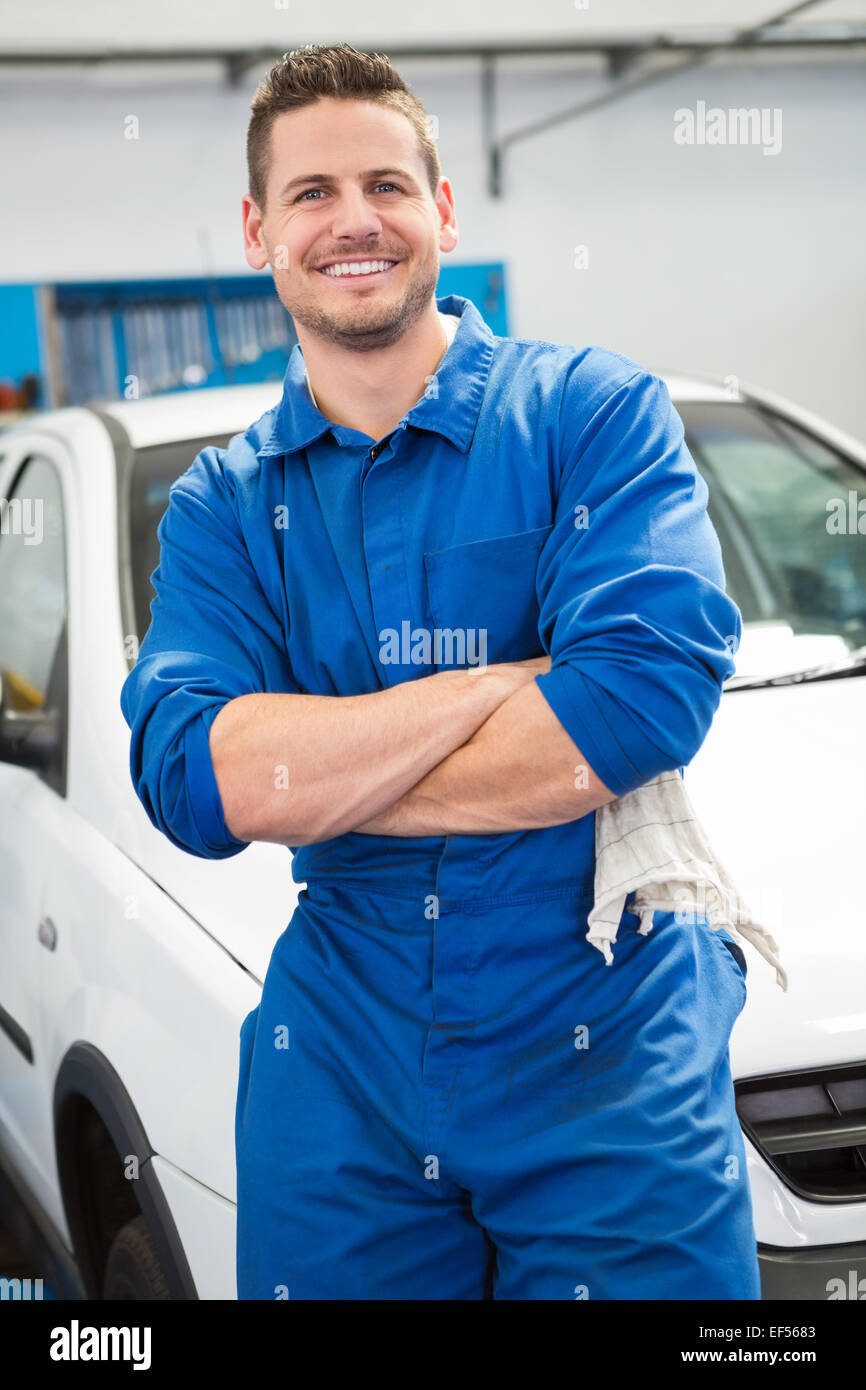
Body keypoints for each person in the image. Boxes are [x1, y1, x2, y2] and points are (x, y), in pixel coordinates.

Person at [120, 42, 760, 1301]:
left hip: (606, 1022)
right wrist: (492, 688)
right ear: (259, 232)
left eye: (387, 185)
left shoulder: (592, 414)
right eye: (310, 194)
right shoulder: (224, 506)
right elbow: (195, 785)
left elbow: (631, 704)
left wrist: (313, 769)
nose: (353, 220)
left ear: (441, 211)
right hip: (340, 1044)